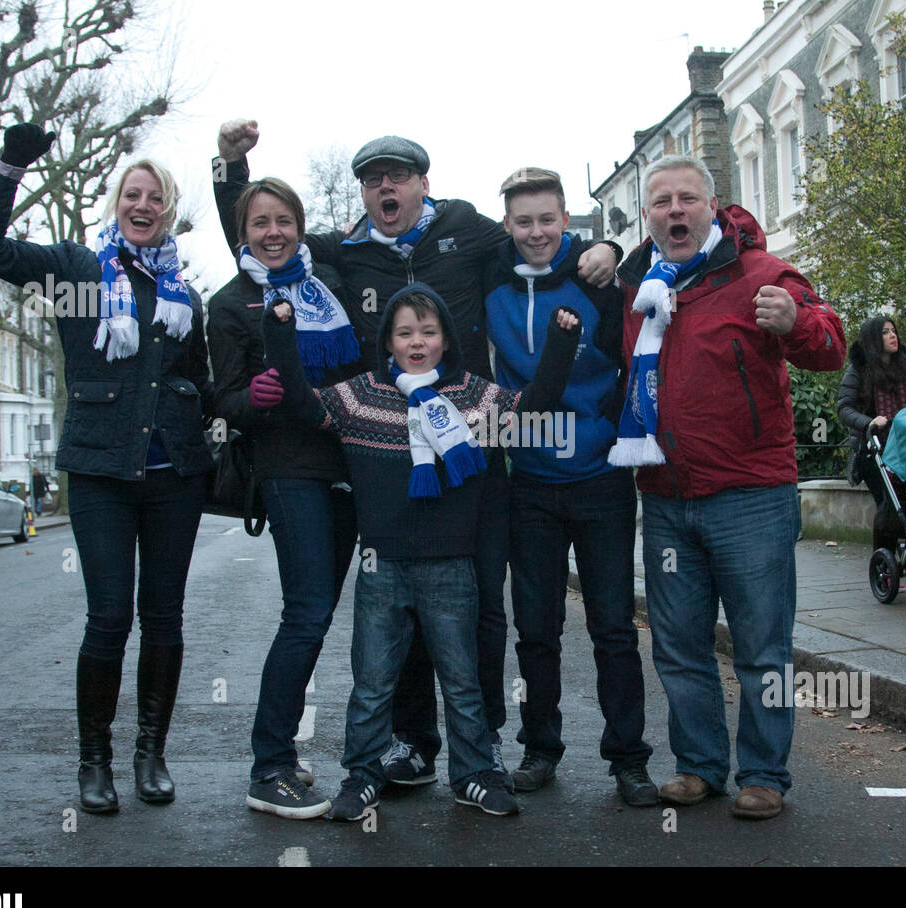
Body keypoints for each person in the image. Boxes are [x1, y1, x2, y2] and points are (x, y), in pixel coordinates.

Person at [212, 120, 619, 788]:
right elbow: (259, 233)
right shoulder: (341, 251)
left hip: (472, 444)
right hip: (387, 445)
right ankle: (412, 742)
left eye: (398, 176)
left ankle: (479, 738)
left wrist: (603, 246)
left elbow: (539, 239)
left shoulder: (468, 227)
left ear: (422, 183)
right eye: (374, 180)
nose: (386, 187)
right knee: (398, 599)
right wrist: (231, 165)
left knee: (483, 603)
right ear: (366, 195)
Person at [260, 283, 581, 820]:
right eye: (405, 331)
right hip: (380, 567)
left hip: (453, 567)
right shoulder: (360, 396)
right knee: (372, 685)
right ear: (388, 339)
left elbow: (537, 405)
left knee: (463, 682)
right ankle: (362, 777)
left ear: (446, 340)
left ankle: (474, 774)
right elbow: (299, 402)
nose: (416, 342)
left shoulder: (476, 398)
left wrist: (560, 341)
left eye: (428, 332)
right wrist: (280, 331)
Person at [0, 125, 214, 814]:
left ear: (167, 211)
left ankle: (151, 755)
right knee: (109, 617)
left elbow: (194, 378)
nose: (143, 205)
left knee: (164, 617)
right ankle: (94, 760)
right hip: (102, 472)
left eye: (156, 198)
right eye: (133, 195)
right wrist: (10, 166)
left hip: (174, 478)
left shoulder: (182, 294)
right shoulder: (78, 268)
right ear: (118, 203)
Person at [610, 155, 845, 820]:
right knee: (680, 644)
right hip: (663, 496)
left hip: (751, 495)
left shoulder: (763, 275)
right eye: (662, 202)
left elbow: (831, 344)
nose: (675, 211)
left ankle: (765, 773)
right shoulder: (639, 289)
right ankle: (699, 767)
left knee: (761, 646)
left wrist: (794, 323)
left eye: (688, 199)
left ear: (712, 207)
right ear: (648, 217)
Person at [483, 167, 655, 806]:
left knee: (613, 626)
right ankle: (540, 748)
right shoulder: (490, 282)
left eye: (547, 220)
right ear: (507, 225)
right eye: (523, 221)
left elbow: (634, 348)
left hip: (601, 477)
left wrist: (611, 252)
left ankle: (628, 759)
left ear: (565, 221)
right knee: (537, 629)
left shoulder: (596, 280)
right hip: (529, 481)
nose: (536, 232)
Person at [206, 177, 362, 819]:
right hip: (287, 469)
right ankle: (268, 766)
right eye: (259, 222)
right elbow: (227, 399)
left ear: (300, 226)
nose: (273, 232)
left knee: (320, 613)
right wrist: (256, 401)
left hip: (349, 465)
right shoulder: (230, 302)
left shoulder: (329, 283)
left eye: (284, 220)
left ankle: (283, 757)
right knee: (304, 613)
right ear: (242, 232)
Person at [836, 316, 906, 550]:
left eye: (894, 331)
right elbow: (844, 408)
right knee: (888, 504)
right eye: (885, 332)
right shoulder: (859, 370)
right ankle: (885, 563)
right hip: (873, 448)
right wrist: (869, 422)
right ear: (875, 339)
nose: (893, 336)